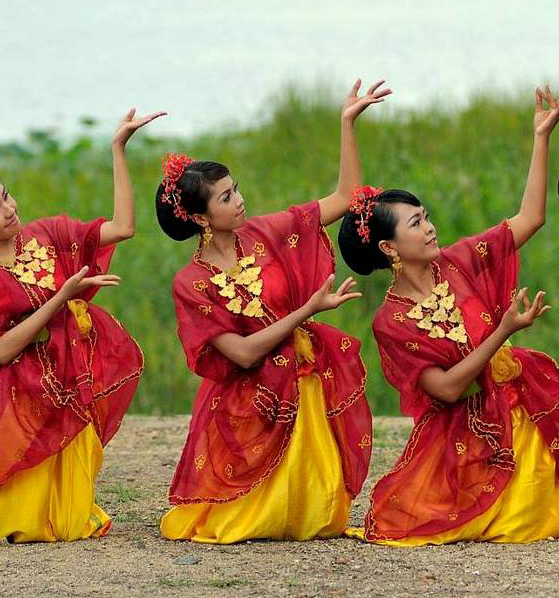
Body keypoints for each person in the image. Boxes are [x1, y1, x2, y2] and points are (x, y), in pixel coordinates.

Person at [338, 85, 559, 545]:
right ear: (389, 248)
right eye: (415, 224)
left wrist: (541, 138)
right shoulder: (392, 321)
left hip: (511, 408)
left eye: (426, 217)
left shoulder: (460, 260)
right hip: (459, 430)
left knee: (534, 523)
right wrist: (504, 330)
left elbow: (529, 219)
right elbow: (447, 389)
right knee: (425, 521)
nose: (430, 228)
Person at [156, 80, 389, 543]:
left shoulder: (266, 232)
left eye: (235, 189)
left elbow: (344, 200)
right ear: (200, 219)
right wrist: (306, 311)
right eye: (225, 198)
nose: (239, 200)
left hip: (300, 378)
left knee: (314, 517)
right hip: (246, 397)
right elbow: (241, 355)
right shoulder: (192, 283)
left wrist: (347, 123)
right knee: (246, 521)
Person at [0, 108, 163, 542]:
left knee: (69, 517)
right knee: (9, 519)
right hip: (12, 390)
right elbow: (0, 352)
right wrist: (61, 297)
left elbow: (124, 227)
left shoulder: (48, 235)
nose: (10, 210)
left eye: (7, 196)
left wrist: (117, 149)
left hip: (67, 372)